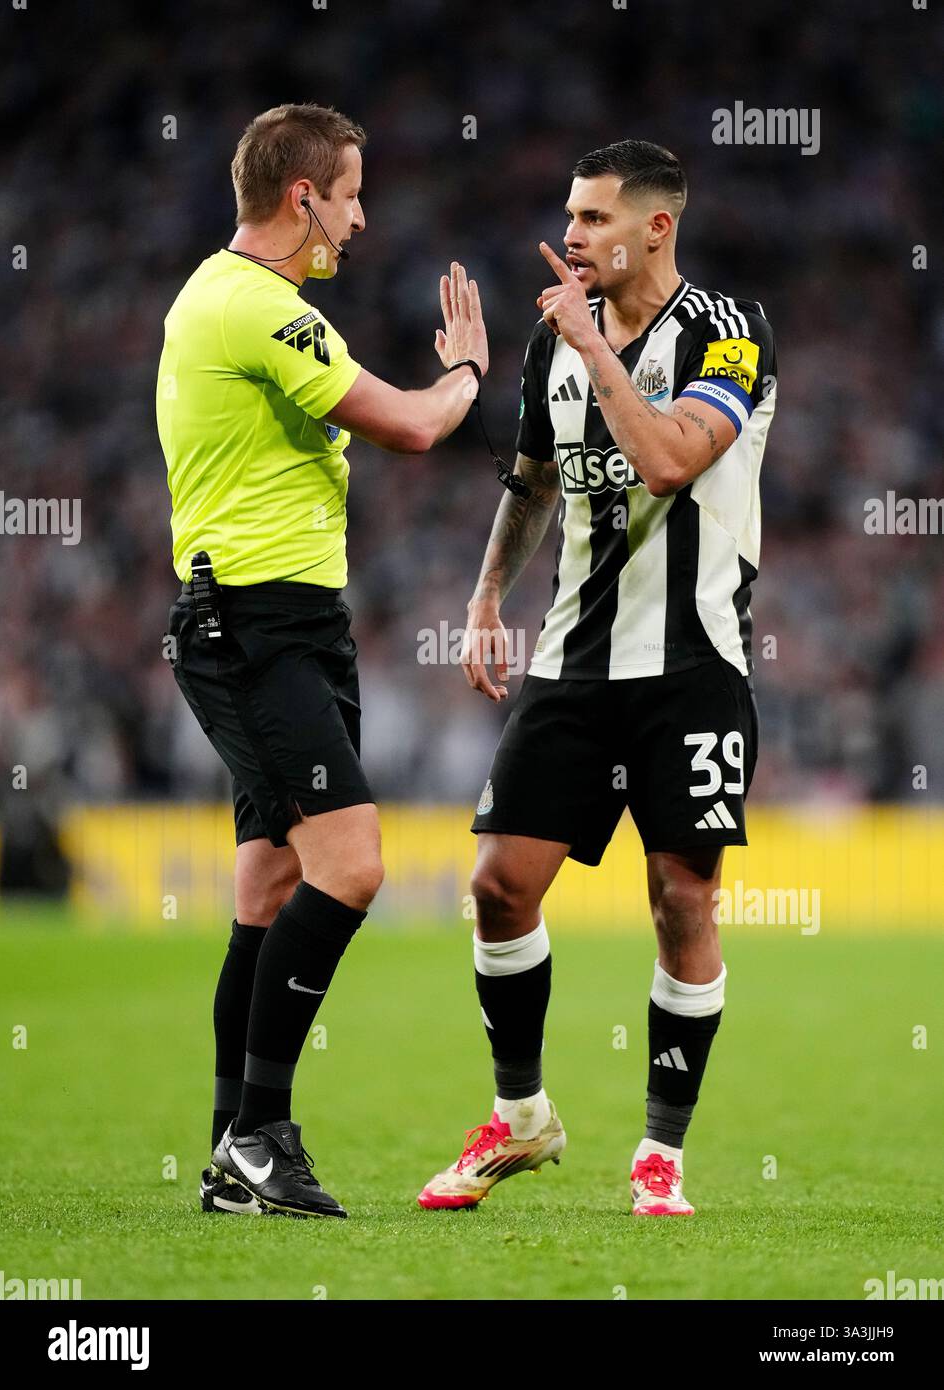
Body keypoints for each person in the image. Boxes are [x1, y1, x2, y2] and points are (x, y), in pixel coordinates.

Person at [418, 139, 776, 1216]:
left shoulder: (732, 331)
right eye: (567, 216)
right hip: (573, 662)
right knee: (496, 884)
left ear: (655, 227)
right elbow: (531, 479)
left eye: (591, 219)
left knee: (681, 895)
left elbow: (671, 459)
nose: (570, 235)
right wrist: (487, 596)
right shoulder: (551, 344)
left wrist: (594, 346)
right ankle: (521, 1116)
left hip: (693, 667)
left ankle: (659, 1151)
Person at [156, 102, 487, 1219]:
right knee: (351, 865)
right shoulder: (260, 306)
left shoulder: (225, 298)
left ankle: (227, 1155)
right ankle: (260, 1136)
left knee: (268, 883)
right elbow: (409, 425)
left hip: (281, 621)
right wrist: (467, 374)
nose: (359, 214)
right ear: (303, 198)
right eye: (349, 192)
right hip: (253, 623)